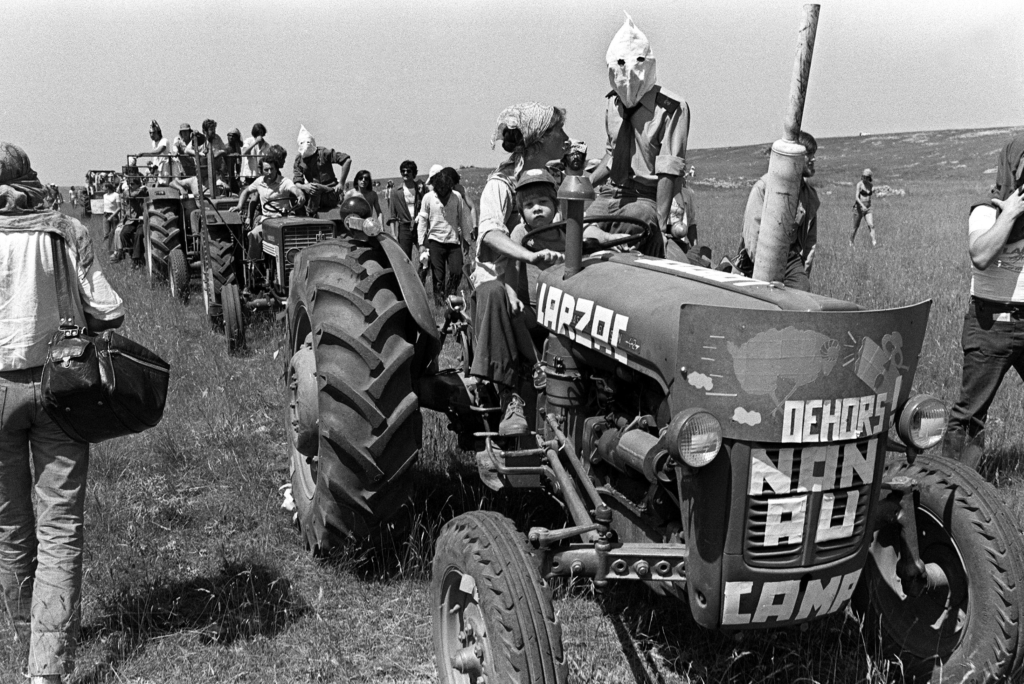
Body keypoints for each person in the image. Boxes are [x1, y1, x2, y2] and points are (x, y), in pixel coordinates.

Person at [0, 142, 125, 684]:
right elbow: (108, 309)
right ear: (30, 177)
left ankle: (20, 630)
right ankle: (45, 669)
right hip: (59, 388)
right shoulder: (62, 230)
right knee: (60, 526)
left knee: (8, 520)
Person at [472, 102, 566, 435]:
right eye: (559, 132)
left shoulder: (555, 179)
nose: (566, 138)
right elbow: (490, 233)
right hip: (500, 280)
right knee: (498, 293)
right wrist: (527, 257)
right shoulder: (502, 185)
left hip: (542, 283)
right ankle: (509, 396)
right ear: (537, 141)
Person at [941, 135, 1024, 470]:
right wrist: (1011, 214)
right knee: (971, 412)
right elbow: (981, 255)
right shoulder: (984, 212)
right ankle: (954, 484)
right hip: (991, 324)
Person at [585, 13, 689, 259]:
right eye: (619, 64)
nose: (628, 72)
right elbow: (612, 155)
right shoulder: (613, 104)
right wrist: (584, 184)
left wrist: (661, 223)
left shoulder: (672, 108)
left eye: (636, 62)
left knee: (636, 220)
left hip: (646, 197)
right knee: (572, 225)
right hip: (611, 193)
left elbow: (668, 169)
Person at [738, 130, 820, 291]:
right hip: (761, 255)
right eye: (809, 154)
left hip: (790, 258)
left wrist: (803, 273)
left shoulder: (809, 196)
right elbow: (752, 234)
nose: (813, 159)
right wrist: (764, 269)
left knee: (801, 292)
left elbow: (810, 243)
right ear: (795, 158)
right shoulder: (764, 187)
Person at [232, 144, 305, 287]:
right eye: (266, 169)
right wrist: (240, 206)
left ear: (277, 168)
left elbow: (295, 189)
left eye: (272, 169)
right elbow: (246, 191)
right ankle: (254, 268)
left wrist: (300, 195)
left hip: (284, 220)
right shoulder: (260, 182)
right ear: (262, 170)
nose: (270, 172)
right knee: (253, 234)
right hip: (267, 221)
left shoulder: (284, 182)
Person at [417, 166, 473, 302]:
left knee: (457, 271)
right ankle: (439, 301)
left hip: (453, 241)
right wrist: (421, 244)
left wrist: (466, 240)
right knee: (438, 274)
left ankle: (450, 293)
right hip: (435, 241)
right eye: (439, 190)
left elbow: (462, 219)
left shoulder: (457, 197)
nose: (442, 192)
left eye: (445, 190)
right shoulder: (428, 198)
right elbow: (422, 222)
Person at [292, 125, 351, 213]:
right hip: (313, 193)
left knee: (315, 187)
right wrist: (305, 186)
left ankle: (310, 212)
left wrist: (341, 183)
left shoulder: (324, 153)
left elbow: (347, 160)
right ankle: (299, 216)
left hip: (331, 192)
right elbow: (297, 182)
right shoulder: (299, 160)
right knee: (293, 192)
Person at [386, 160, 424, 259]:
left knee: (426, 255)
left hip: (420, 226)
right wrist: (393, 234)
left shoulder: (420, 188)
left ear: (414, 173)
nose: (405, 173)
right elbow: (392, 215)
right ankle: (410, 275)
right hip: (404, 228)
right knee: (405, 258)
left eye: (408, 171)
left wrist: (422, 185)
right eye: (403, 171)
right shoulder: (395, 192)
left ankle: (421, 274)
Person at [666, 165, 699, 262]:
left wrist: (695, 248)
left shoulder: (687, 194)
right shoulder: (661, 193)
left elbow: (692, 222)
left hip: (682, 245)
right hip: (665, 244)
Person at [851, 168, 877, 247]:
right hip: (859, 208)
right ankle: (851, 241)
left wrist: (875, 191)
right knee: (855, 227)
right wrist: (862, 206)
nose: (864, 178)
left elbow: (871, 194)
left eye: (866, 177)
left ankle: (874, 242)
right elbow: (856, 197)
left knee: (871, 225)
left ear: (869, 177)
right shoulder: (859, 184)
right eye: (863, 176)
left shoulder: (871, 185)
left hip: (868, 208)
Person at [102, 182, 121, 260]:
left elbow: (119, 208)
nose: (103, 188)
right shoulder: (104, 196)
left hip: (113, 216)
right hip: (105, 215)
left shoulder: (116, 195)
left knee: (113, 233)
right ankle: (107, 249)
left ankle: (115, 250)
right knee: (106, 233)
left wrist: (112, 216)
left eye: (103, 187)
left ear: (107, 187)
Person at [225, 128, 243, 193]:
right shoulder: (226, 147)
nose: (231, 137)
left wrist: (238, 173)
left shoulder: (237, 148)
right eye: (230, 135)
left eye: (233, 136)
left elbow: (239, 162)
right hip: (226, 174)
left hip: (234, 175)